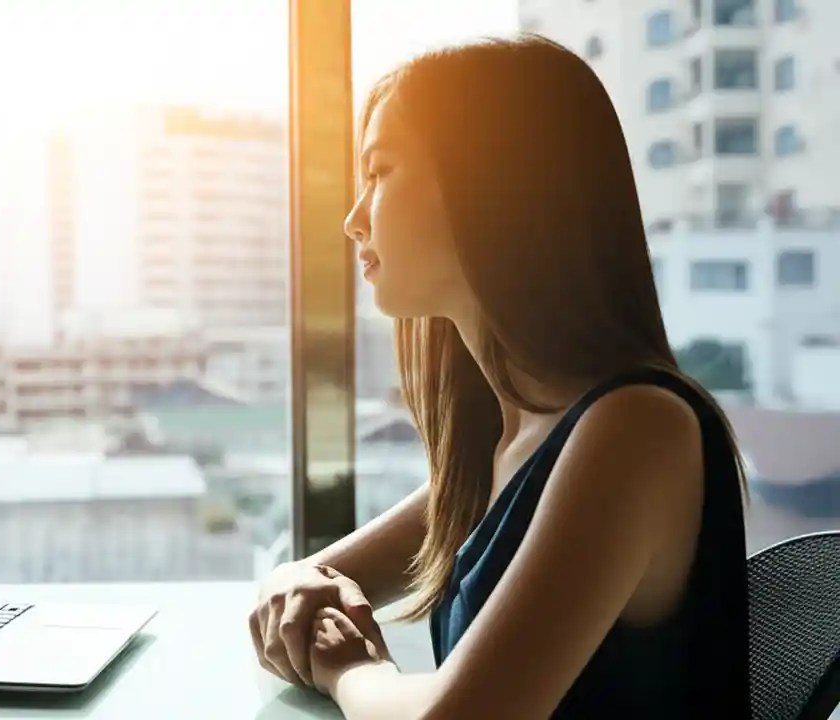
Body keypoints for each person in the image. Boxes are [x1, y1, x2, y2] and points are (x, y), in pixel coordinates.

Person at [248, 35, 749, 718]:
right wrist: (292, 580)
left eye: (381, 172)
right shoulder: (512, 439)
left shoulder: (635, 432)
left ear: (489, 185)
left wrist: (350, 668)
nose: (353, 219)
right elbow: (320, 574)